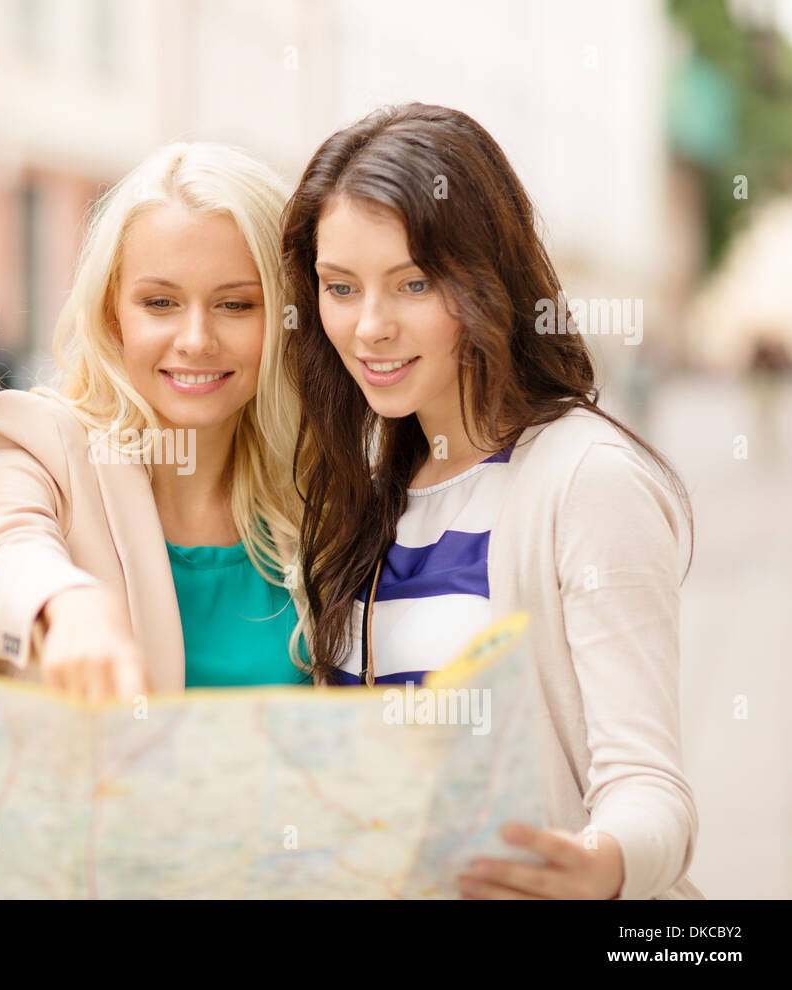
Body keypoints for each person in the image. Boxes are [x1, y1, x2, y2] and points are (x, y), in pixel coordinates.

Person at [283, 103, 702, 899]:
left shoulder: (585, 480)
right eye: (340, 287)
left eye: (412, 283)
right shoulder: (367, 481)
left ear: (485, 279)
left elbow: (650, 786)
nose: (369, 325)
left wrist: (597, 867)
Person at [0, 143, 307, 699]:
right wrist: (69, 606)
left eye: (235, 305)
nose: (195, 340)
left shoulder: (315, 490)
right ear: (112, 313)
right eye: (160, 303)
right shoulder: (37, 443)